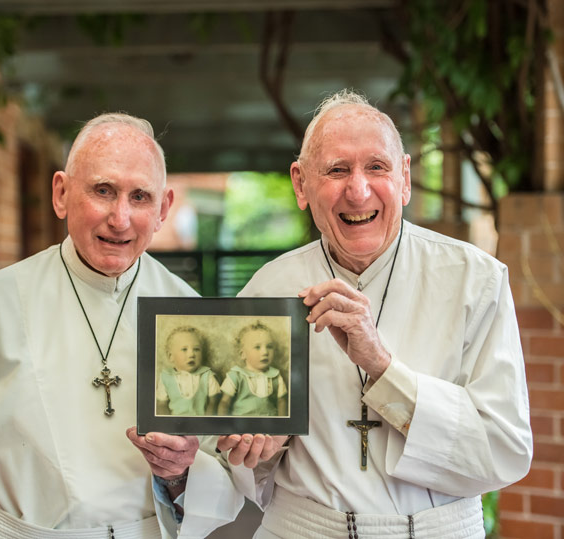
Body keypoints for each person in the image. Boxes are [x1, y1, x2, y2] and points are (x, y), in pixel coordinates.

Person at [218, 90, 533, 538]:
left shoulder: (475, 280)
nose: (358, 190)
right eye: (337, 170)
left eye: (377, 167)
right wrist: (259, 449)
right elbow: (236, 465)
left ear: (405, 178)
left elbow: (505, 452)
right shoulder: (266, 290)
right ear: (301, 184)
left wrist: (383, 369)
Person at [0, 113, 243, 538]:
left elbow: (224, 473)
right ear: (62, 194)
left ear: (163, 209)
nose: (120, 218)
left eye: (140, 197)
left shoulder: (192, 314)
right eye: (103, 191)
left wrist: (179, 474)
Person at [217, 322, 288, 417]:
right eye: (257, 347)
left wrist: (282, 423)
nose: (265, 352)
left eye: (269, 347)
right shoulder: (236, 376)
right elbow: (224, 403)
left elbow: (282, 402)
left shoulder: (275, 375)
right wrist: (223, 423)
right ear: (243, 354)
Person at [157, 326, 221, 416]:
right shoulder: (166, 377)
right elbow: (161, 405)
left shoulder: (207, 375)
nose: (191, 354)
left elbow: (213, 403)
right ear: (171, 356)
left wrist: (207, 420)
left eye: (196, 349)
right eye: (184, 349)